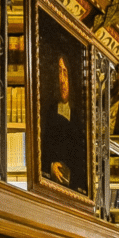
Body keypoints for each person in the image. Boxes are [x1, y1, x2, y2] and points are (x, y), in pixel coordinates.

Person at [43, 54, 87, 194]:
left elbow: (82, 158)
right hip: (52, 186)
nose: (62, 80)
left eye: (65, 72)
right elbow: (43, 150)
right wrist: (51, 166)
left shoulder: (79, 116)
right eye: (59, 72)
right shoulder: (50, 112)